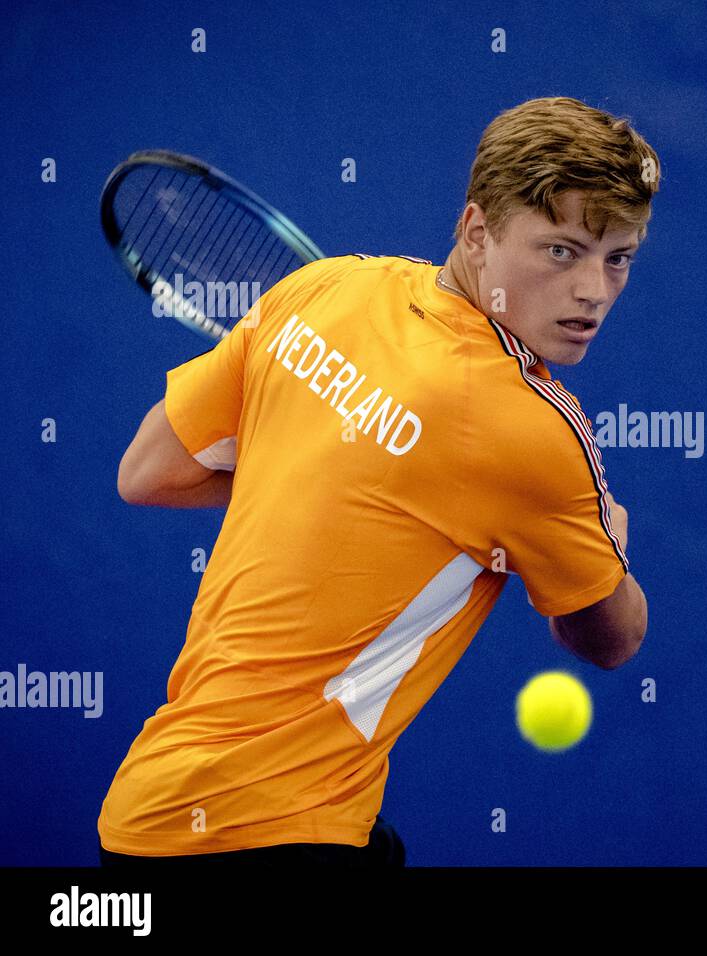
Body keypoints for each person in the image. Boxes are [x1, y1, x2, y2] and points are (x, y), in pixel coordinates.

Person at [98, 95, 658, 865]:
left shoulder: (324, 288)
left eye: (618, 257)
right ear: (475, 232)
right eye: (561, 251)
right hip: (277, 834)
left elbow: (148, 470)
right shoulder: (535, 430)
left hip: (145, 820)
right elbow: (609, 636)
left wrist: (347, 455)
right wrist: (611, 548)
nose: (595, 290)